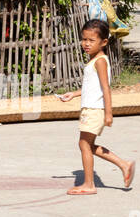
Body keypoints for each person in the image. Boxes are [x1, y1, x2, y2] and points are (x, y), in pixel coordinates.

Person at [58, 19, 135, 194]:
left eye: (91, 40)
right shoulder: (94, 60)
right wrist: (74, 94)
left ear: (104, 42)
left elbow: (106, 88)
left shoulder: (100, 61)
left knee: (84, 144)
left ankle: (89, 184)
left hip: (94, 110)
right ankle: (124, 165)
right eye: (84, 39)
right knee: (87, 145)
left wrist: (109, 113)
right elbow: (91, 87)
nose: (86, 44)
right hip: (90, 109)